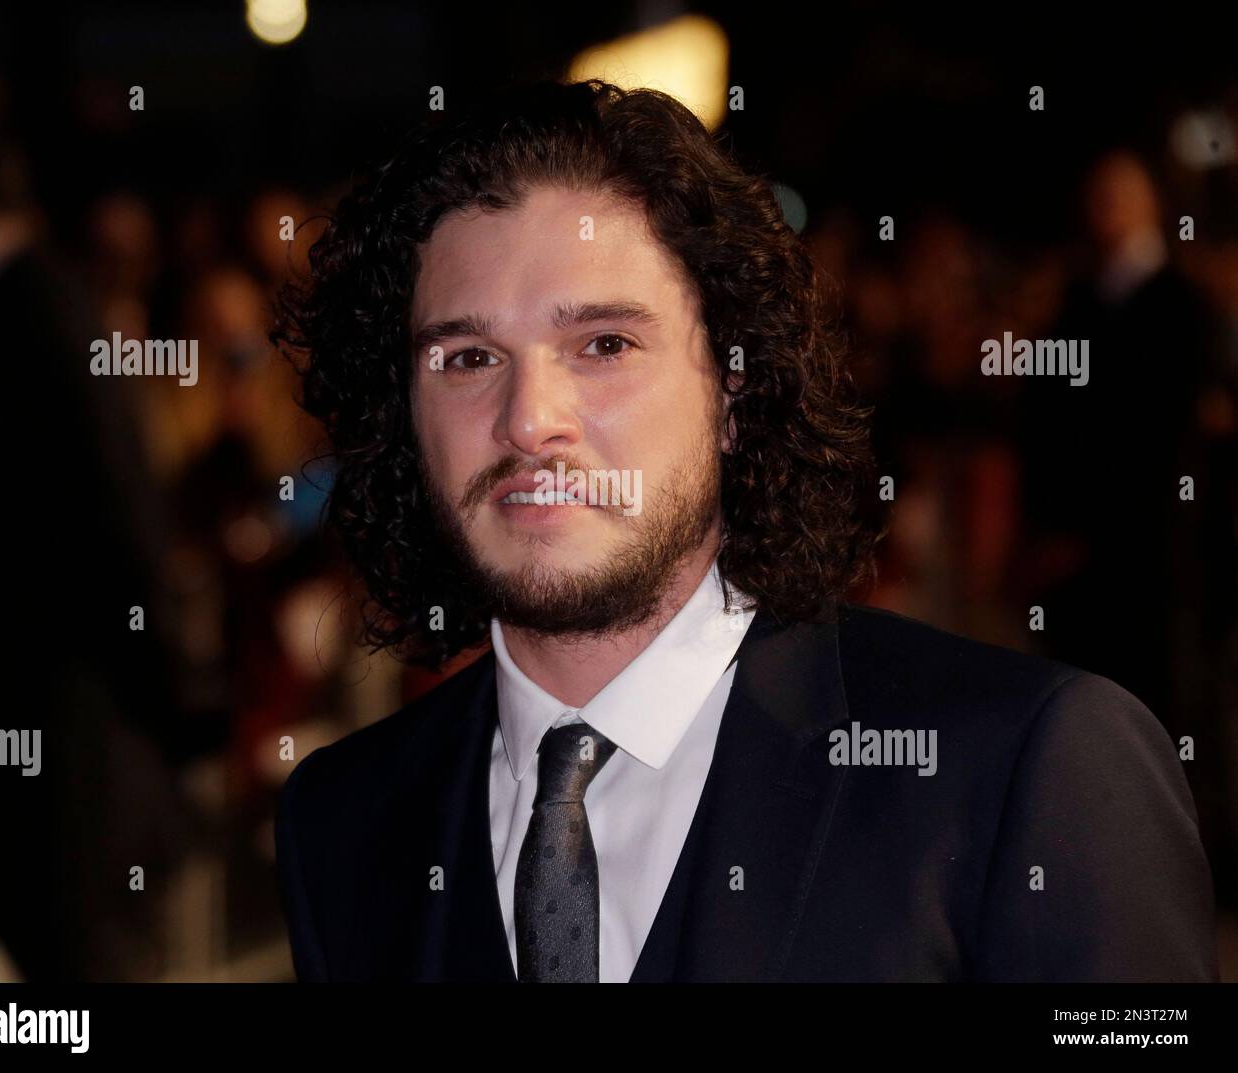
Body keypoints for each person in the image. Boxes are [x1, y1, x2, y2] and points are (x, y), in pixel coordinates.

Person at [271, 79, 1217, 982]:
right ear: (406, 413)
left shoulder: (1026, 770)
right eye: (469, 355)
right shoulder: (343, 823)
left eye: (604, 344)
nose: (529, 417)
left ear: (733, 388)